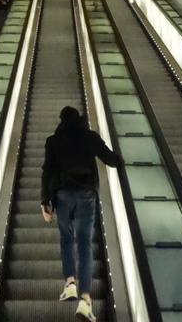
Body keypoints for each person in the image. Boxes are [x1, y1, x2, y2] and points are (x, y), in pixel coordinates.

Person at [41, 106, 123, 321]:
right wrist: (122, 160)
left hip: (62, 195)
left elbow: (47, 172)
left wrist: (44, 201)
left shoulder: (53, 141)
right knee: (84, 243)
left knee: (66, 238)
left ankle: (70, 283)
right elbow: (111, 159)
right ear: (79, 119)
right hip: (86, 194)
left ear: (61, 121)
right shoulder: (90, 137)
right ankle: (85, 300)